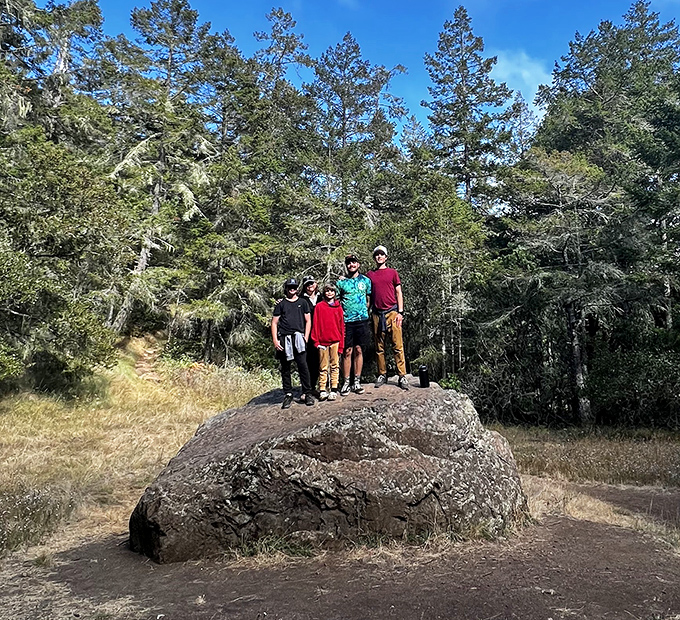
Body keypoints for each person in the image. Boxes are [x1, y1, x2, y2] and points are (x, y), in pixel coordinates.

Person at [367, 245, 409, 390]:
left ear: (386, 257)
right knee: (379, 347)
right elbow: (367, 295)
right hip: (377, 314)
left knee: (397, 345)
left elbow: (399, 292)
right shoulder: (370, 275)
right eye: (377, 255)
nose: (379, 257)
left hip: (393, 313)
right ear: (374, 258)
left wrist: (401, 312)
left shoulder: (392, 273)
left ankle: (402, 376)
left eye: (381, 254)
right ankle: (382, 374)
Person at [271, 278, 314, 409]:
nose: (292, 289)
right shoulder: (281, 304)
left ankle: (307, 393)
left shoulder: (303, 302)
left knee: (303, 366)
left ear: (297, 288)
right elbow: (274, 322)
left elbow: (308, 320)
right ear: (286, 288)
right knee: (285, 368)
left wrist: (306, 337)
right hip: (284, 339)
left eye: (294, 286)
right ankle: (288, 394)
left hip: (299, 338)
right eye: (290, 287)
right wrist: (275, 340)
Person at [336, 253, 372, 395]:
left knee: (358, 350)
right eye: (349, 263)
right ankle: (346, 382)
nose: (351, 265)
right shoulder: (341, 283)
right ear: (347, 265)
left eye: (354, 262)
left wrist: (364, 311)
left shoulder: (366, 281)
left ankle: (357, 381)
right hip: (346, 321)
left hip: (362, 320)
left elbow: (369, 299)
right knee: (347, 351)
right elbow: (336, 301)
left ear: (358, 264)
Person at [310, 284, 345, 401]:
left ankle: (334, 389)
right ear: (324, 293)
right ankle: (322, 389)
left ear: (335, 293)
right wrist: (316, 341)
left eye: (332, 291)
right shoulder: (319, 307)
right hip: (322, 343)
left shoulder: (338, 307)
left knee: (335, 366)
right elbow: (315, 324)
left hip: (335, 341)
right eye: (327, 291)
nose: (329, 293)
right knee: (323, 367)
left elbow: (341, 327)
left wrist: (341, 345)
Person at [301, 275, 320, 395]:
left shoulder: (322, 297)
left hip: (321, 334)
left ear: (316, 284)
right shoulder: (301, 299)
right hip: (306, 334)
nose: (310, 286)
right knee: (306, 362)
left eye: (311, 283)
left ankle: (315, 386)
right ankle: (306, 389)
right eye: (307, 284)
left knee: (319, 362)